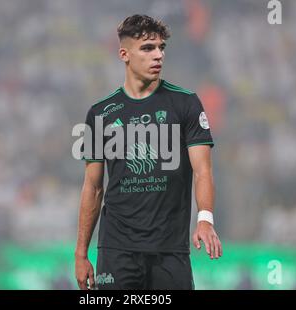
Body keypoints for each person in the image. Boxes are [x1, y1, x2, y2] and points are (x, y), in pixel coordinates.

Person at [75, 14, 222, 290]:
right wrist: (81, 253)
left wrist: (205, 219)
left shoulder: (186, 104)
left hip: (170, 251)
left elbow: (203, 169)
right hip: (116, 251)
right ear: (124, 54)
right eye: (147, 48)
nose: (158, 55)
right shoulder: (100, 114)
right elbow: (93, 187)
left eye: (161, 48)